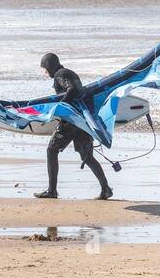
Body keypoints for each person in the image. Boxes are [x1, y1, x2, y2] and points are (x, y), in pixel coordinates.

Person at [34, 52, 113, 200]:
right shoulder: (68, 73)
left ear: (50, 66)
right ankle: (106, 188)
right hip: (82, 121)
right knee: (86, 156)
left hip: (71, 121)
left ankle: (52, 191)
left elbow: (72, 90)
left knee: (51, 150)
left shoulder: (60, 74)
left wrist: (61, 107)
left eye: (45, 68)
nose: (45, 72)